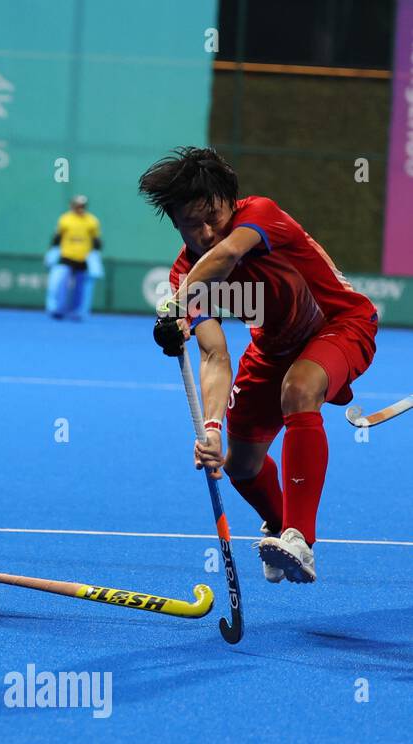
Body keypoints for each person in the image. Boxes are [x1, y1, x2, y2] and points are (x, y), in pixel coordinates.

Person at [140, 147, 378, 584]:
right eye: (193, 225)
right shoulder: (185, 276)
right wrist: (210, 429)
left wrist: (174, 306)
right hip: (272, 348)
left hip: (341, 323)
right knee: (240, 466)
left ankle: (299, 539)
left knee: (299, 388)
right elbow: (213, 354)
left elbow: (228, 255)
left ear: (232, 203)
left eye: (215, 216)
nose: (208, 232)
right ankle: (277, 527)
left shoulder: (260, 215)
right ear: (175, 224)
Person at [44, 195, 104, 320]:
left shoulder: (92, 221)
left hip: (83, 259)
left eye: (82, 205)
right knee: (60, 284)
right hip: (66, 257)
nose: (80, 208)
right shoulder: (65, 219)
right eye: (77, 205)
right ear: (72, 205)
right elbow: (57, 238)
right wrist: (52, 254)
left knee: (81, 288)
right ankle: (58, 310)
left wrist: (95, 257)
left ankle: (78, 312)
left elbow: (96, 241)